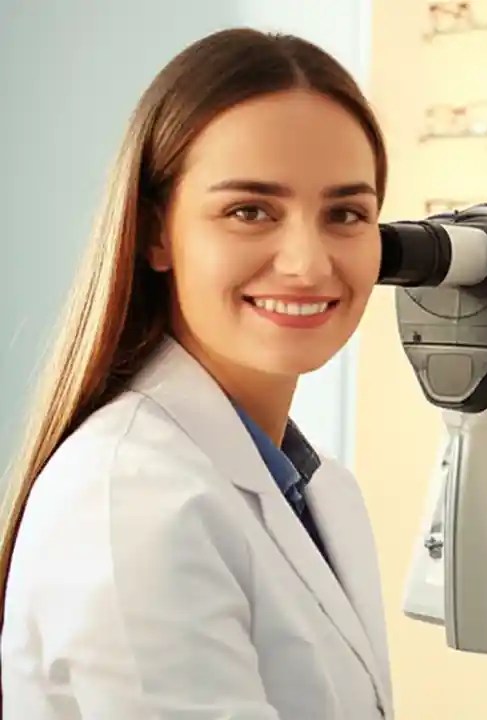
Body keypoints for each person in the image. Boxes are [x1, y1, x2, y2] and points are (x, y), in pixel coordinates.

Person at [0, 28, 394, 719]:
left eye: (346, 214)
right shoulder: (133, 499)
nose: (307, 261)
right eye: (249, 211)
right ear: (156, 233)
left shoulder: (322, 491)